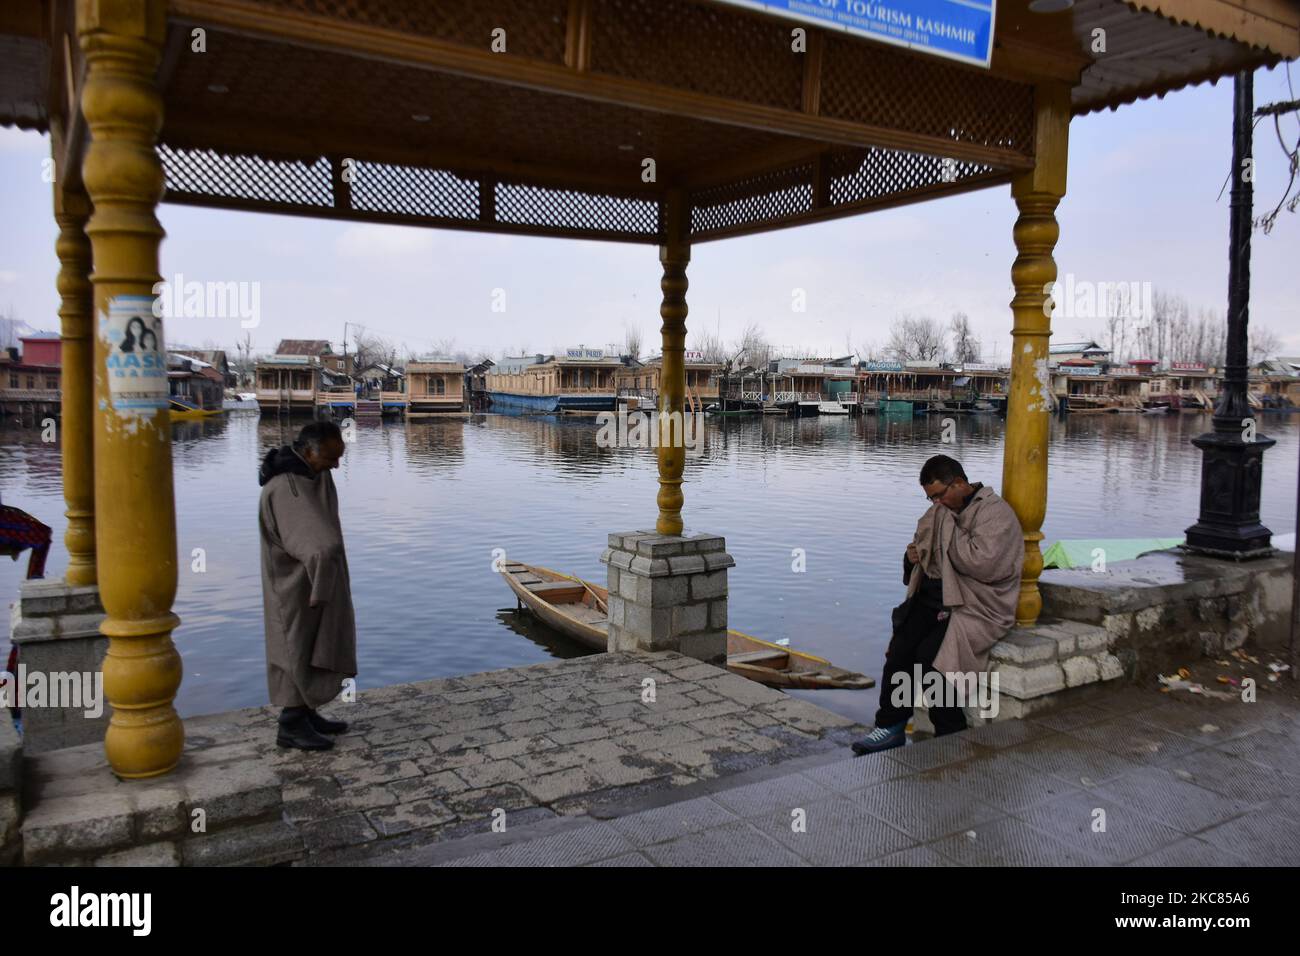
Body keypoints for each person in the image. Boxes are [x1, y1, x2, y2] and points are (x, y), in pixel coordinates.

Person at [852, 454, 1024, 755]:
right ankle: (890, 727)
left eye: (939, 496)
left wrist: (947, 537)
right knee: (900, 650)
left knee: (931, 660)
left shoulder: (996, 514)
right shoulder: (942, 511)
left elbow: (984, 565)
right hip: (936, 598)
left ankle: (950, 731)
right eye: (931, 499)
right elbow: (923, 550)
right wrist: (911, 558)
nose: (936, 504)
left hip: (976, 606)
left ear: (958, 483)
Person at [257, 421, 357, 750]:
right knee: (295, 647)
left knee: (313, 645)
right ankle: (290, 725)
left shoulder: (312, 473)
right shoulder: (288, 487)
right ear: (309, 450)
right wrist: (323, 587)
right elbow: (318, 547)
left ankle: (306, 712)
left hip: (315, 584)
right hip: (296, 587)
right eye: (331, 458)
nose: (336, 465)